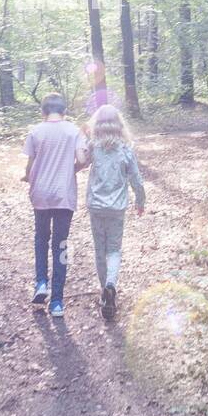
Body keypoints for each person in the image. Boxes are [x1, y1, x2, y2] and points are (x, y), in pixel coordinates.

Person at [21, 92, 87, 317]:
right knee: (61, 245)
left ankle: (41, 282)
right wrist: (72, 169)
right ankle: (57, 301)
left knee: (41, 238)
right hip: (63, 194)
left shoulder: (35, 132)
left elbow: (29, 167)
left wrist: (27, 177)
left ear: (43, 111)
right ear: (64, 111)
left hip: (40, 194)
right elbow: (82, 159)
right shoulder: (73, 131)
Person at [81, 104, 145, 321]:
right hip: (117, 208)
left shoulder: (93, 147)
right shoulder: (126, 149)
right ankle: (111, 284)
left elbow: (80, 161)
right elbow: (136, 179)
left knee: (100, 250)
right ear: (119, 125)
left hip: (96, 207)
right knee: (114, 250)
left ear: (97, 125)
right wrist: (140, 201)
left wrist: (83, 139)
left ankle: (104, 292)